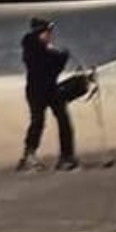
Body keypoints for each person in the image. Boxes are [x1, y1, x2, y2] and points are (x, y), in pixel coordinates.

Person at [19, 18, 77, 171]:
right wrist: (62, 57)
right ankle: (29, 156)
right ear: (40, 34)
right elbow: (51, 68)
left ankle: (67, 156)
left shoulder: (42, 48)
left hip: (50, 89)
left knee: (63, 120)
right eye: (47, 33)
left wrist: (58, 55)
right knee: (38, 121)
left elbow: (52, 68)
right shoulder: (35, 50)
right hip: (37, 91)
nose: (50, 36)